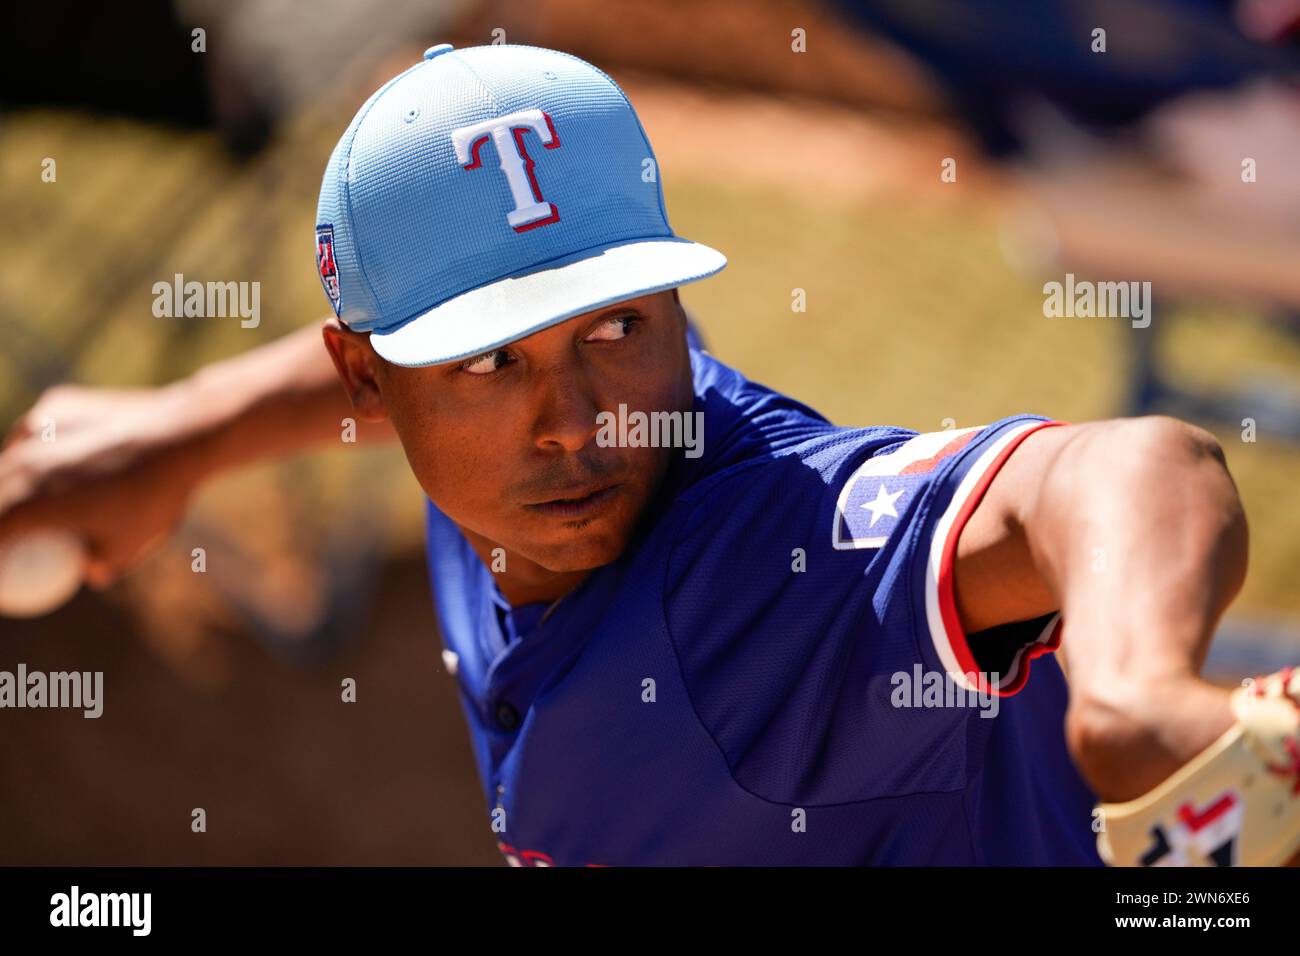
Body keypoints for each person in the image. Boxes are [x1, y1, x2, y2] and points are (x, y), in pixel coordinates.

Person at [2, 42, 1296, 866]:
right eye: (493, 356)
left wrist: (1141, 697)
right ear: (375, 379)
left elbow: (1141, 468)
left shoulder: (767, 570)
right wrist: (175, 434)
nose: (577, 417)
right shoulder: (557, 434)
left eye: (618, 326)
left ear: (671, 315)